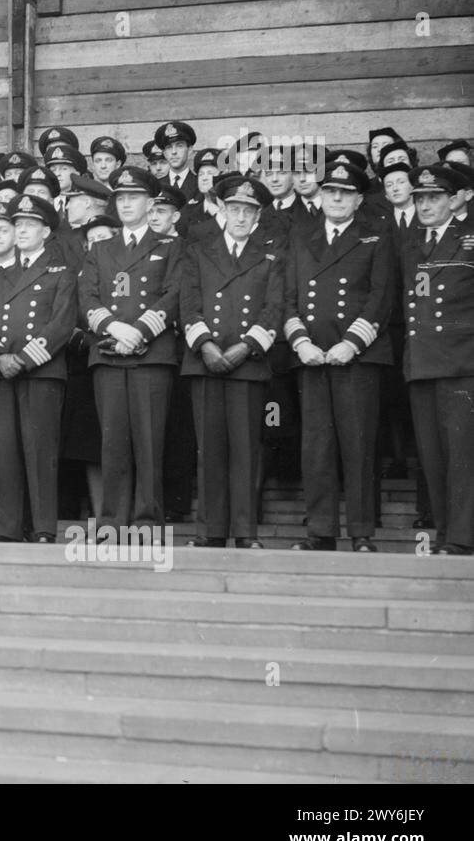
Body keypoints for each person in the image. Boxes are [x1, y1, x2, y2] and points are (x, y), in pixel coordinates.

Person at [281, 162, 395, 553]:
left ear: (359, 199)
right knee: (316, 447)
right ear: (321, 194)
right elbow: (288, 298)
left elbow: (381, 298)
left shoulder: (375, 237)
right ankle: (321, 531)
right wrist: (300, 343)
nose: (337, 198)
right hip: (312, 356)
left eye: (346, 193)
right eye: (331, 191)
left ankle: (362, 533)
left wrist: (351, 343)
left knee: (358, 446)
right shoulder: (301, 236)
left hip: (357, 358)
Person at [179, 176, 286, 548]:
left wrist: (246, 347)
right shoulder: (197, 251)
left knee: (244, 449)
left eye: (249, 211)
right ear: (222, 210)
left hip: (248, 362)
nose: (241, 216)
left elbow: (275, 307)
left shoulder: (271, 254)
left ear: (257, 217)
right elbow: (188, 304)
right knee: (209, 449)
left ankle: (244, 532)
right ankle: (209, 532)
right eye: (235, 209)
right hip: (204, 360)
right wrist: (206, 345)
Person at [78, 167, 181, 528]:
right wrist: (115, 327)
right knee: (112, 442)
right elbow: (87, 295)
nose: (125, 204)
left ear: (151, 203)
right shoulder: (101, 248)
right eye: (120, 198)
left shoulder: (170, 245)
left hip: (151, 355)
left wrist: (138, 331)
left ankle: (147, 519)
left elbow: (174, 294)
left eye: (133, 197)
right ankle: (111, 520)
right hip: (107, 353)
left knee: (149, 442)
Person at [0, 195, 76, 544]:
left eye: (29, 226)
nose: (21, 231)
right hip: (2, 372)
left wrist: (25, 359)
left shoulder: (60, 271)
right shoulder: (0, 275)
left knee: (40, 452)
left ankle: (43, 528)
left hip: (42, 372)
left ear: (46, 231)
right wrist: (1, 356)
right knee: (5, 450)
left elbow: (62, 323)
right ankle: (4, 527)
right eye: (18, 225)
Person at [397, 165, 474, 555]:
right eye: (420, 199)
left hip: (462, 364)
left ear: (455, 200)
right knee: (432, 456)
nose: (425, 205)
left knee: (462, 455)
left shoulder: (469, 240)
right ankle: (445, 534)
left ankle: (462, 538)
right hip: (422, 363)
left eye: (434, 198)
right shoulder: (410, 243)